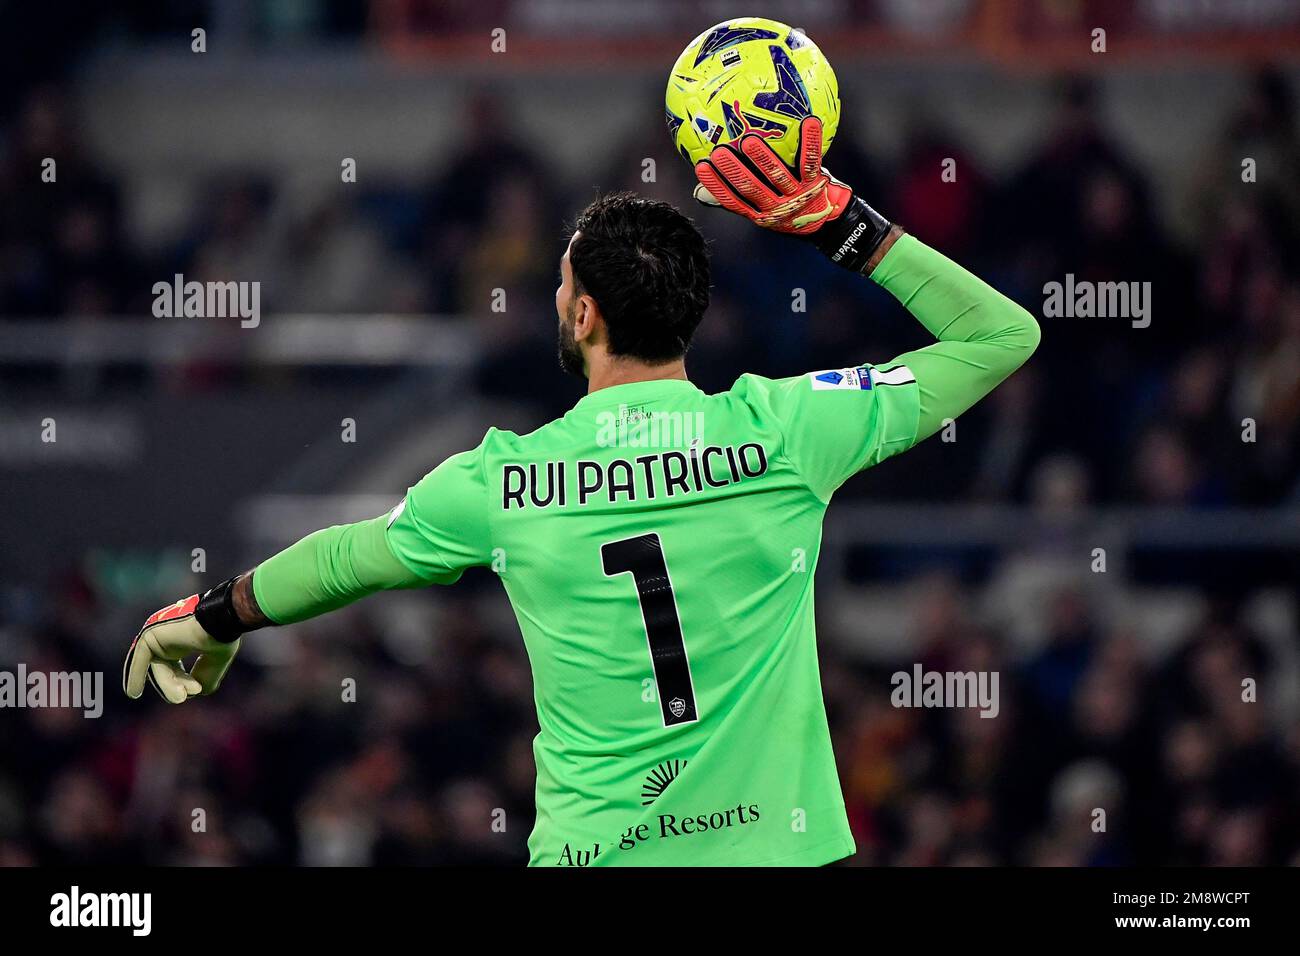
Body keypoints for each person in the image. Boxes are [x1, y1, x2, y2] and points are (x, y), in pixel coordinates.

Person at [123, 117, 1040, 866]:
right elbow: (1000, 338)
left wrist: (214, 615)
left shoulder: (507, 478)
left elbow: (350, 556)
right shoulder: (787, 430)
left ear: (586, 315)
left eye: (563, 284)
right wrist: (844, 222)